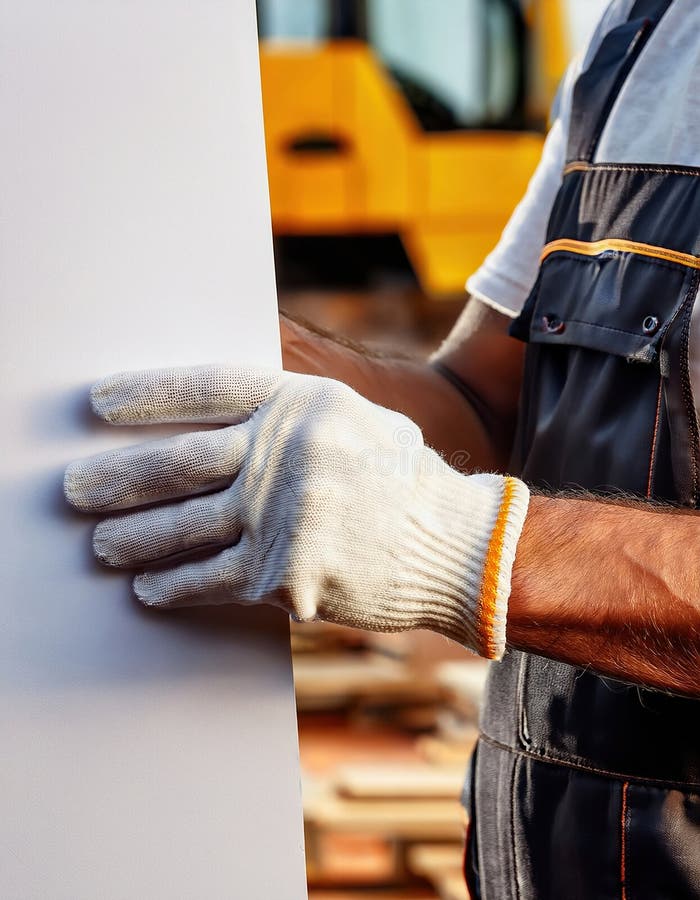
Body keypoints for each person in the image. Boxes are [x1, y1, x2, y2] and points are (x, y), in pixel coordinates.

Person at [65, 0, 700, 896]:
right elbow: (483, 403)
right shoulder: (635, 38)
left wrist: (460, 545)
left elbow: (470, 513)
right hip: (544, 859)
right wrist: (292, 371)